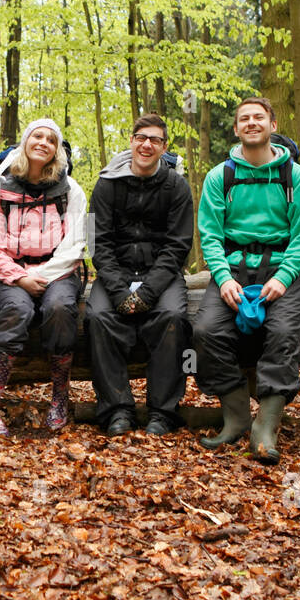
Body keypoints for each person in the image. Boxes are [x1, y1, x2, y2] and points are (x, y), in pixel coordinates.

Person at [193, 97, 300, 463]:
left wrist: (285, 276)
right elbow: (210, 235)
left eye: (258, 117)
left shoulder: (295, 177)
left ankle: (266, 424)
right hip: (232, 269)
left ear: (272, 125)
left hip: (283, 269)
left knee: (282, 333)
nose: (251, 123)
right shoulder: (220, 176)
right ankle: (236, 415)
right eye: (243, 119)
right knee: (205, 331)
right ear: (235, 129)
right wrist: (222, 277)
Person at [86, 113, 194, 436]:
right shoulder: (106, 184)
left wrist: (147, 293)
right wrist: (120, 292)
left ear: (164, 147)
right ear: (132, 141)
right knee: (97, 317)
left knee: (174, 316)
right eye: (141, 138)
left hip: (160, 273)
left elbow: (178, 246)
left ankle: (162, 412)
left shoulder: (177, 187)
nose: (147, 144)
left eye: (155, 140)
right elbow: (96, 241)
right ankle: (117, 409)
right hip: (114, 272)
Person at [0, 118, 87, 437]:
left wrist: (41, 274)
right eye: (36, 136)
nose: (43, 142)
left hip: (60, 271)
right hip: (10, 271)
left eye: (50, 139)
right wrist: (19, 276)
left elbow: (80, 242)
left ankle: (59, 400)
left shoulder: (73, 189)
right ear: (24, 143)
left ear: (57, 150)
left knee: (58, 308)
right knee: (18, 310)